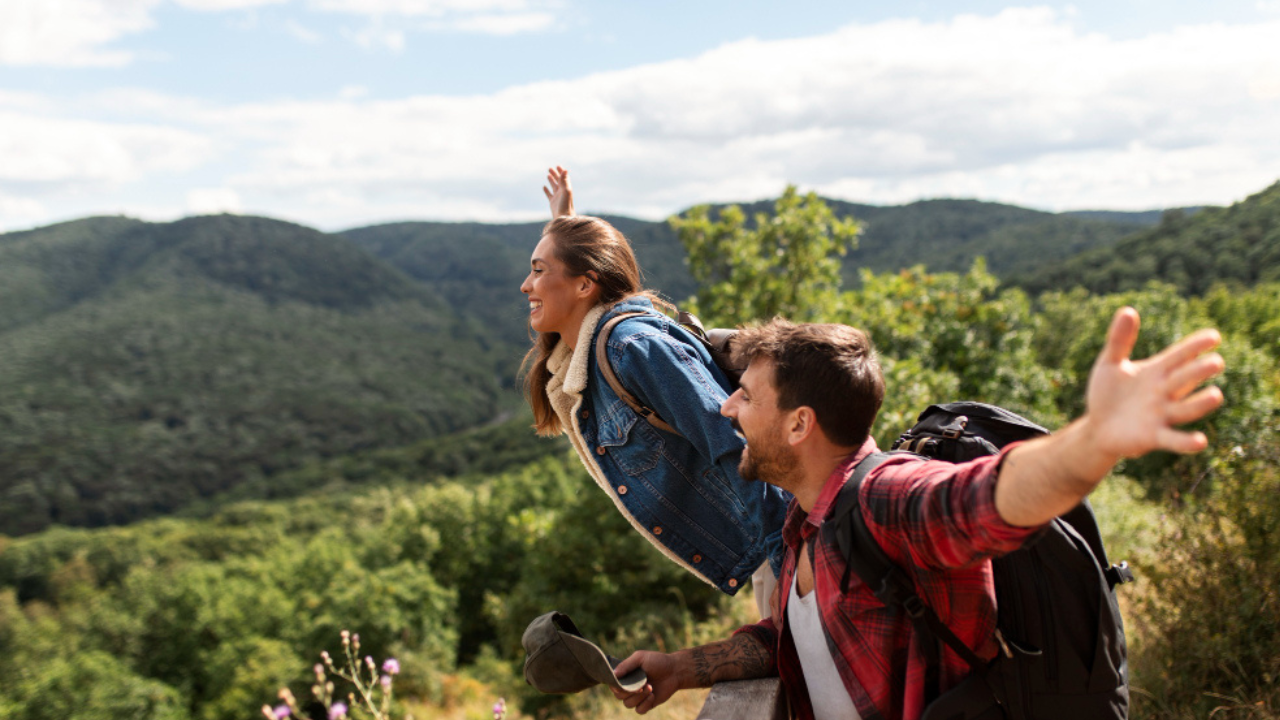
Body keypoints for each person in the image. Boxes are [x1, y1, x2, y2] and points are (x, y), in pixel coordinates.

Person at [609, 312, 1225, 720]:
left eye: (746, 396)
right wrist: (682, 667)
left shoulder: (885, 499)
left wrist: (1094, 441)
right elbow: (800, 636)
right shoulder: (804, 524)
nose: (726, 409)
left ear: (800, 424)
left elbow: (988, 500)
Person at [520, 166, 789, 612]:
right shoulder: (583, 357)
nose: (526, 284)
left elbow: (735, 446)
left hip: (781, 540)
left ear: (586, 284)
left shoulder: (634, 348)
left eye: (537, 270)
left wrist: (789, 559)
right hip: (768, 545)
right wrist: (563, 220)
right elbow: (578, 278)